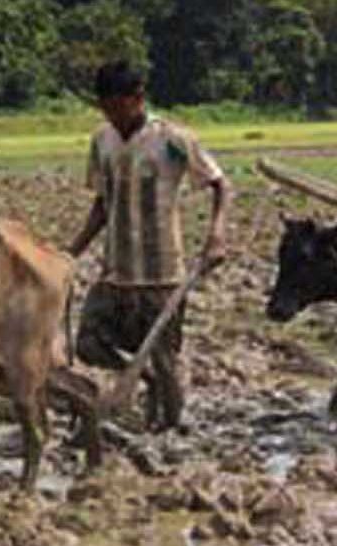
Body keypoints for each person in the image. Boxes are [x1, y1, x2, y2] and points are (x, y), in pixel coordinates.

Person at [67, 60, 233, 431]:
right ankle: (141, 380)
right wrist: (72, 251)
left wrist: (217, 234)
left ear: (137, 99)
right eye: (104, 109)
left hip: (161, 275)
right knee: (87, 343)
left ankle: (172, 431)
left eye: (117, 107)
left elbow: (220, 184)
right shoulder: (102, 141)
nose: (112, 116)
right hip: (116, 272)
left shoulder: (172, 140)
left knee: (165, 358)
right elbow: (102, 203)